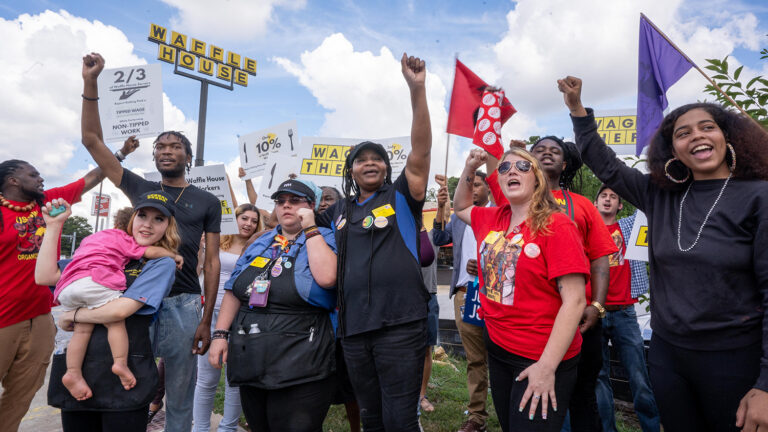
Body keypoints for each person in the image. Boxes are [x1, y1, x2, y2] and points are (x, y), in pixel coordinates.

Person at [559, 75, 768, 432]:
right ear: (673, 151)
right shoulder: (660, 195)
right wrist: (578, 110)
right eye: (683, 133)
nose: (697, 136)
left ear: (727, 138)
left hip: (735, 359)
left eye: (708, 127)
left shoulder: (758, 196)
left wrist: (765, 384)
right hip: (668, 355)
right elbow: (606, 165)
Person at [79, 52, 222, 432]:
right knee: (130, 378)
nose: (166, 151)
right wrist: (90, 83)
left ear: (188, 157)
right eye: (160, 146)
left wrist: (206, 318)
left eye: (174, 146)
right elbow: (92, 141)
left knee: (179, 390)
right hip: (136, 297)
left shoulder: (207, 201)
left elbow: (211, 262)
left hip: (184, 304)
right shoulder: (141, 189)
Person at [314, 53, 432, 431]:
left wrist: (417, 91)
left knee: (400, 417)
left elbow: (421, 151)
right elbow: (285, 218)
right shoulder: (338, 210)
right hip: (353, 329)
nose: (369, 163)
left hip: (400, 324)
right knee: (371, 416)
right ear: (350, 171)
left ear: (386, 167)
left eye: (377, 159)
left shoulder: (401, 196)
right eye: (361, 159)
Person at [0, 135, 136, 431]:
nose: (41, 178)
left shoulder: (48, 203)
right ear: (12, 180)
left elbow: (90, 179)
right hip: (2, 318)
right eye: (33, 174)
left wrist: (120, 154)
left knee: (21, 394)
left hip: (39, 318)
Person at [485, 137, 616, 432]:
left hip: (580, 318)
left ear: (564, 163)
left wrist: (596, 305)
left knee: (584, 394)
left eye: (554, 151)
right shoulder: (511, 204)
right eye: (538, 150)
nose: (546, 154)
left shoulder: (582, 205)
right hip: (532, 330)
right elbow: (498, 172)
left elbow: (599, 260)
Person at [453, 148, 589, 431]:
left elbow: (575, 301)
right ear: (499, 181)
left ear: (537, 178)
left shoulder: (557, 225)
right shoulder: (492, 218)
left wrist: (547, 367)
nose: (511, 171)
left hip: (541, 355)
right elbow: (462, 207)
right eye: (504, 168)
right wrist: (469, 168)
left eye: (521, 167)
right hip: (500, 349)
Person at [208, 179, 337, 431]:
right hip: (253, 355)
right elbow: (233, 290)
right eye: (281, 201)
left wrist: (310, 228)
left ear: (312, 205)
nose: (286, 206)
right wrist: (220, 334)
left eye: (295, 201)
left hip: (302, 357)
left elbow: (327, 277)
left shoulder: (326, 237)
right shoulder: (261, 242)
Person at [41, 199, 177, 432]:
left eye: (158, 219)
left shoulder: (161, 263)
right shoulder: (99, 251)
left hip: (127, 379)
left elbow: (119, 311)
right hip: (78, 375)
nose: (147, 225)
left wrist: (72, 315)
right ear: (131, 219)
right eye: (142, 215)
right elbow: (44, 276)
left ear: (168, 227)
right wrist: (53, 226)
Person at [591, 186, 659, 432]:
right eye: (603, 196)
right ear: (595, 202)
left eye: (613, 197)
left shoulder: (629, 228)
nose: (608, 200)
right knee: (599, 379)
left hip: (625, 312)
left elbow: (646, 205)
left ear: (620, 205)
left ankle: (651, 428)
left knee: (639, 378)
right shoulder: (585, 231)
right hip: (594, 313)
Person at [432, 171, 493, 432]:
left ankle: (513, 410)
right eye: (468, 185)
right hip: (465, 295)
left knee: (504, 356)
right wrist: (441, 207)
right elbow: (437, 239)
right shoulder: (458, 218)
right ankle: (476, 416)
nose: (472, 189)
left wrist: (486, 266)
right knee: (475, 359)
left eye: (476, 184)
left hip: (497, 294)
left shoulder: (502, 213)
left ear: (489, 188)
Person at [192, 204, 260, 432]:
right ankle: (200, 428)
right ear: (235, 219)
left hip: (241, 317)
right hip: (209, 315)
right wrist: (200, 251)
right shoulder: (216, 243)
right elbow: (197, 273)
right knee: (206, 379)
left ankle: (227, 428)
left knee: (234, 380)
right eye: (244, 218)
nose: (248, 223)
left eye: (253, 220)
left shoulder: (258, 248)